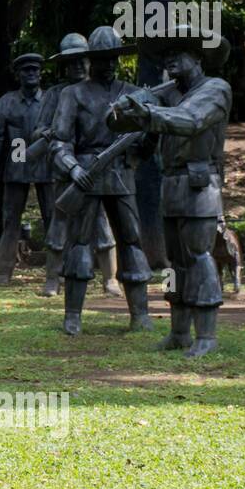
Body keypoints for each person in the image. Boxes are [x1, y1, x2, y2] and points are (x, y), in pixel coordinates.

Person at [111, 25, 232, 356]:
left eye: (177, 53)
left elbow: (190, 120)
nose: (170, 60)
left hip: (199, 184)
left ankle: (206, 336)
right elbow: (139, 132)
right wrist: (129, 111)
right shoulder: (168, 95)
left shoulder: (215, 89)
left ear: (197, 57)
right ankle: (179, 332)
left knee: (199, 256)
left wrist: (149, 113)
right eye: (166, 55)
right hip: (172, 185)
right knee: (173, 263)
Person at [49, 26, 153, 336]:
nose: (108, 65)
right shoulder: (73, 93)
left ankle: (140, 314)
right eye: (101, 59)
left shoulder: (134, 93)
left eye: (112, 59)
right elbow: (59, 141)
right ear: (91, 60)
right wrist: (72, 168)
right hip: (86, 173)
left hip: (121, 173)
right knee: (79, 244)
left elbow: (144, 146)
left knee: (132, 241)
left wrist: (149, 135)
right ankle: (73, 316)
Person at [36, 33, 120, 297]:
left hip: (98, 166)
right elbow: (38, 130)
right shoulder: (54, 94)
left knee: (103, 225)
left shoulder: (104, 90)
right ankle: (52, 279)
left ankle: (110, 280)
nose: (76, 66)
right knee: (59, 223)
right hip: (65, 164)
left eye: (81, 60)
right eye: (70, 62)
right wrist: (47, 134)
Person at [0, 52, 53, 285]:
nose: (31, 74)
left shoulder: (50, 100)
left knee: (52, 218)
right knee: (10, 218)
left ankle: (56, 272)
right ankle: (3, 270)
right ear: (18, 74)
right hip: (17, 153)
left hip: (46, 159)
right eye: (26, 70)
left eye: (35, 69)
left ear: (40, 73)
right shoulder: (7, 101)